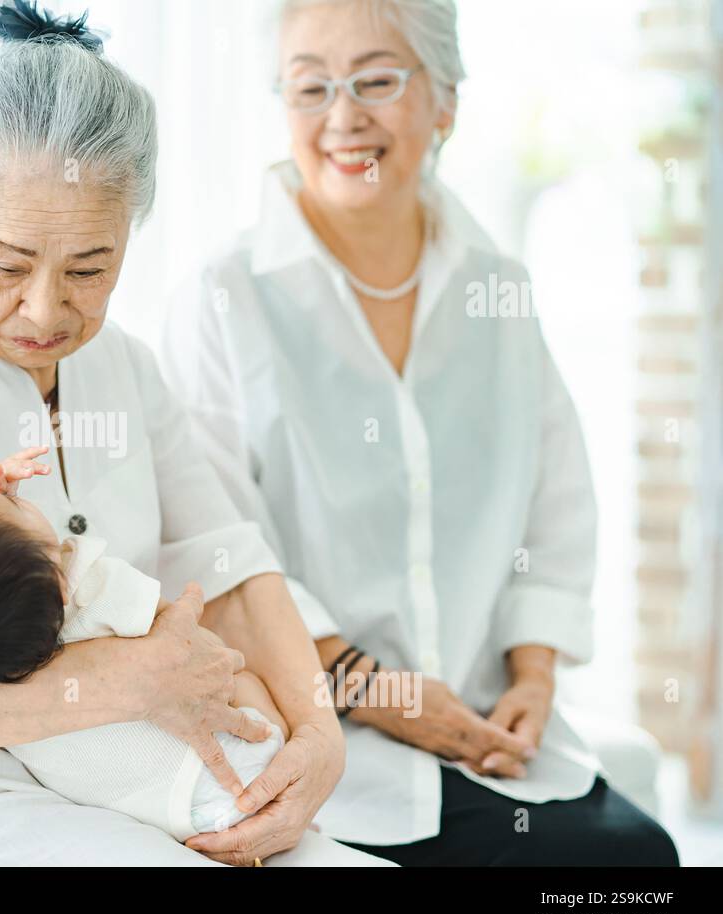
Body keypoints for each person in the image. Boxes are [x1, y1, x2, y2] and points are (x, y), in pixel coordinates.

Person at [0, 0, 386, 866]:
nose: (45, 310)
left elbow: (230, 564)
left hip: (120, 774)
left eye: (90, 269)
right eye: (8, 265)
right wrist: (119, 685)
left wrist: (319, 738)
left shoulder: (126, 369)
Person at [159, 0, 678, 865]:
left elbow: (557, 510)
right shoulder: (222, 300)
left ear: (446, 103)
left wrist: (534, 675)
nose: (342, 115)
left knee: (638, 873)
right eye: (310, 86)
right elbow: (216, 557)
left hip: (489, 744)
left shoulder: (497, 289)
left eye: (376, 79)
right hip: (317, 748)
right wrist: (387, 695)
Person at [0, 446, 288, 841]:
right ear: (59, 573)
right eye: (7, 506)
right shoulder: (95, 585)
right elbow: (182, 643)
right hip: (233, 771)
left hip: (165, 809)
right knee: (241, 678)